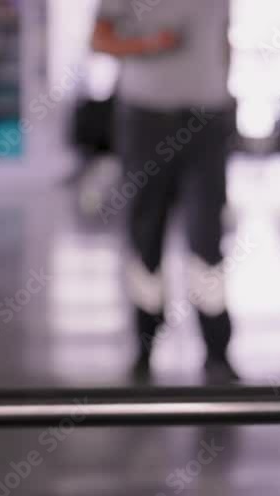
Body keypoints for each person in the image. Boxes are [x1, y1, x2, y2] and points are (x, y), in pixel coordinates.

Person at [91, 0, 238, 381]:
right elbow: (99, 40)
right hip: (146, 120)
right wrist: (152, 44)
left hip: (208, 122)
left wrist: (224, 95)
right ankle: (144, 344)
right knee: (145, 237)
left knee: (207, 238)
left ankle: (217, 352)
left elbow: (223, 40)